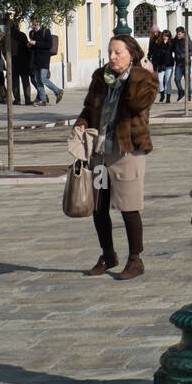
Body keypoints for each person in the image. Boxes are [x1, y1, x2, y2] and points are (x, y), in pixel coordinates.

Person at [74, 35, 158, 280]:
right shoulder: (101, 77)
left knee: (128, 207)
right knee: (99, 206)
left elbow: (136, 103)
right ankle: (108, 255)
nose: (112, 57)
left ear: (132, 53)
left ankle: (135, 259)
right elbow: (89, 108)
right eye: (110, 52)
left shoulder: (143, 79)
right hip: (100, 152)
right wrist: (81, 124)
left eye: (118, 52)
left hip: (127, 151)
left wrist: (139, 74)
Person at [28, 17, 63, 105]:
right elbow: (34, 47)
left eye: (34, 22)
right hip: (36, 60)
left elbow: (48, 45)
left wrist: (36, 43)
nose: (33, 24)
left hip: (44, 59)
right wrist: (30, 45)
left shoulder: (45, 31)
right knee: (37, 79)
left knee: (43, 78)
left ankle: (58, 91)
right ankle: (43, 100)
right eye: (32, 22)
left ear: (38, 22)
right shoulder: (33, 33)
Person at [10, 22, 33, 105]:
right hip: (23, 60)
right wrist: (29, 59)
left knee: (15, 81)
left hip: (13, 61)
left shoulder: (8, 36)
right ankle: (27, 99)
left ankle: (17, 99)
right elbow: (27, 48)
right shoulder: (22, 35)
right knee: (25, 81)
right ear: (17, 27)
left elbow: (4, 50)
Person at [173, 26, 192, 101]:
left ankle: (188, 96)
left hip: (186, 63)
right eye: (177, 34)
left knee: (187, 80)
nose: (178, 35)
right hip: (178, 63)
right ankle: (181, 92)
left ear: (183, 33)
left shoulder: (188, 41)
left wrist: (183, 55)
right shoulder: (175, 40)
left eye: (179, 34)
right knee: (176, 79)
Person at [155, 29, 176, 103]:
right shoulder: (159, 43)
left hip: (169, 64)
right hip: (161, 64)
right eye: (164, 36)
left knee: (168, 81)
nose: (165, 37)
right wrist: (163, 44)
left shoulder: (171, 44)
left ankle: (168, 97)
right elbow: (158, 52)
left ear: (169, 37)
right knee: (160, 80)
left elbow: (173, 50)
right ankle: (162, 94)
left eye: (167, 36)